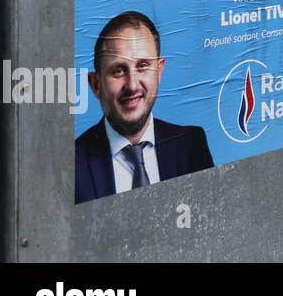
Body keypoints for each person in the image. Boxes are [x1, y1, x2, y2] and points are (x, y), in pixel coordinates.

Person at [75, 11, 213, 204]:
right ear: (95, 84)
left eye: (142, 66)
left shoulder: (191, 146)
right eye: (118, 70)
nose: (132, 85)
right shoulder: (72, 165)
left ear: (159, 70)